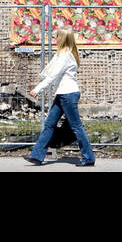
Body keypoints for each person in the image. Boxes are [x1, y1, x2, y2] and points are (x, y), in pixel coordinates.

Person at [24, 28, 95, 166]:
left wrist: (38, 88)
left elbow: (54, 75)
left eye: (57, 36)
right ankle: (37, 156)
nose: (55, 39)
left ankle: (88, 158)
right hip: (62, 94)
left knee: (76, 127)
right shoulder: (62, 54)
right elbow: (49, 70)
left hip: (67, 94)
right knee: (49, 124)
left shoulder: (65, 56)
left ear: (62, 38)